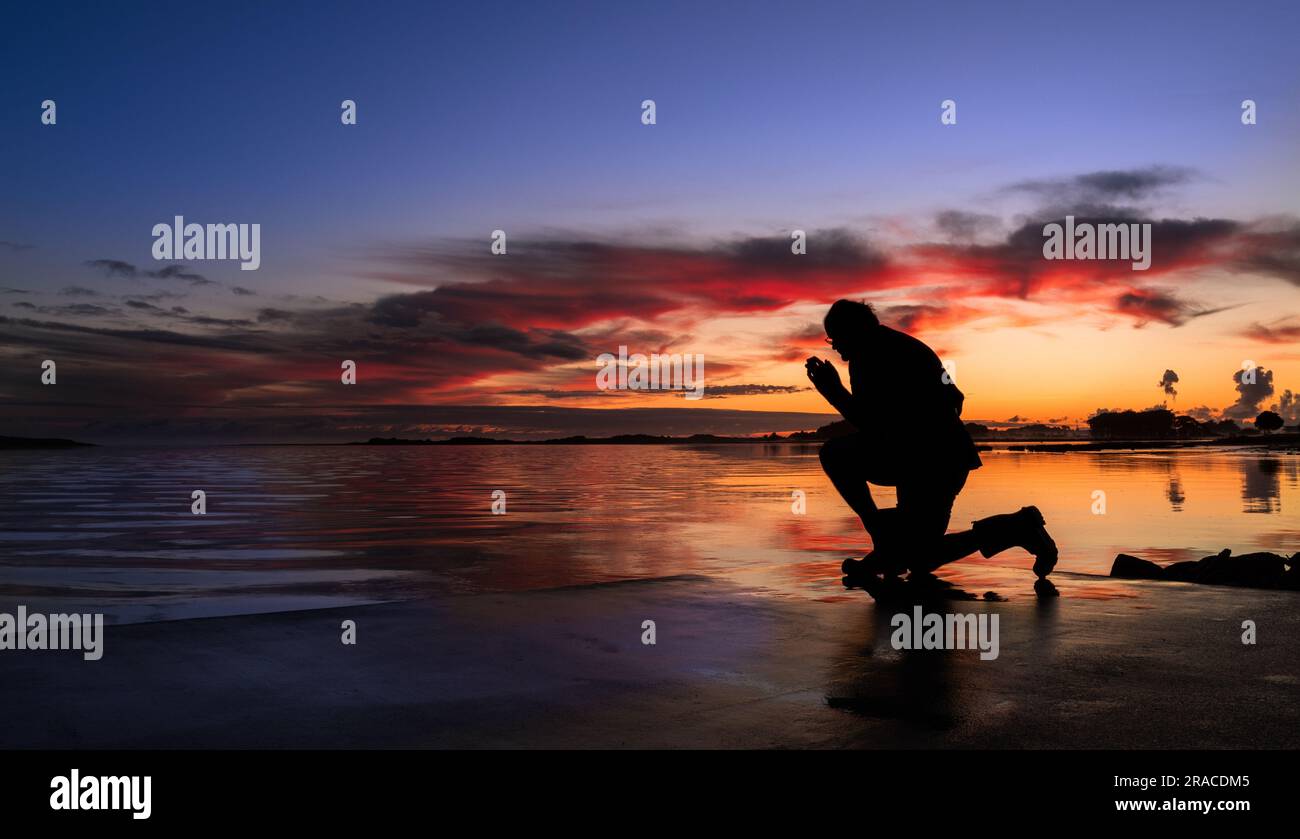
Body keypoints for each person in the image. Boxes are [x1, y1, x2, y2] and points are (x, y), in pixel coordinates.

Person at [805, 299, 1058, 581]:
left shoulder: (870, 356)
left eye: (835, 337)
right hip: (926, 457)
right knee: (922, 556)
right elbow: (954, 397)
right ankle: (891, 545)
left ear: (854, 330)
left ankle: (881, 532)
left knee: (835, 454)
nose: (834, 346)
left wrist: (832, 391)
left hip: (931, 460)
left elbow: (874, 426)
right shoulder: (905, 345)